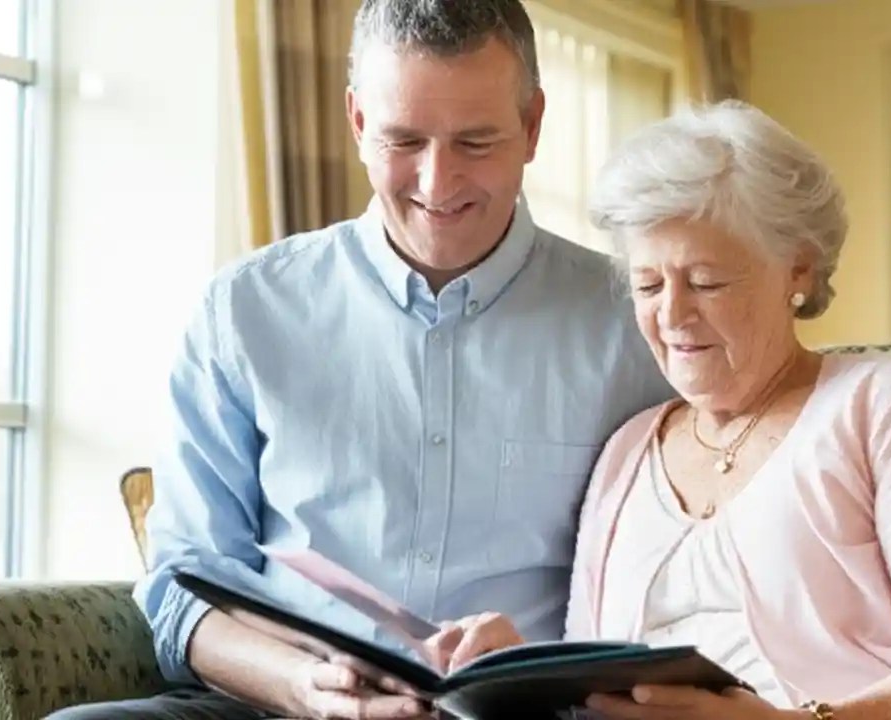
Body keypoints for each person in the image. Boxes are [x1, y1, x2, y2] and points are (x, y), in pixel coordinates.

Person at [47, 1, 671, 719]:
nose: (437, 185)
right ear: (356, 123)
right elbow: (186, 586)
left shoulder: (638, 324)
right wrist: (300, 687)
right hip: (284, 705)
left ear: (532, 126)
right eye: (404, 140)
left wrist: (543, 664)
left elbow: (680, 589)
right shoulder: (244, 311)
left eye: (474, 143)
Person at [430, 101, 891, 720]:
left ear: (796, 268)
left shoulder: (882, 405)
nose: (671, 315)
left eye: (707, 281)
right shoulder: (627, 451)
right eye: (647, 285)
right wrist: (521, 670)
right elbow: (597, 687)